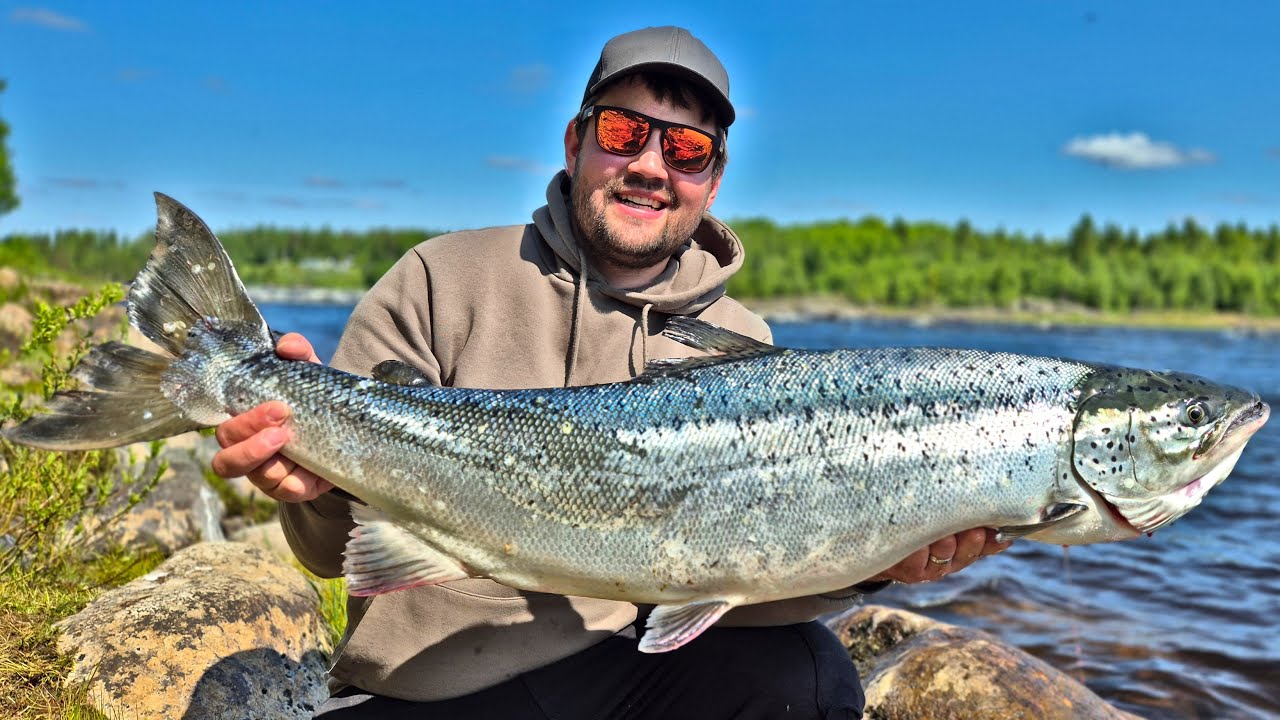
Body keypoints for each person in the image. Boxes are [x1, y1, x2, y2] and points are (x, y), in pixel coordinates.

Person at [211, 26, 1009, 719]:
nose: (652, 165)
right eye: (626, 131)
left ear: (713, 180)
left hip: (628, 682)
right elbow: (328, 552)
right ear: (575, 142)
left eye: (687, 148)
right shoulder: (439, 278)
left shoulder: (744, 347)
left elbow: (747, 579)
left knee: (809, 674)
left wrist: (878, 565)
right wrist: (308, 481)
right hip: (434, 692)